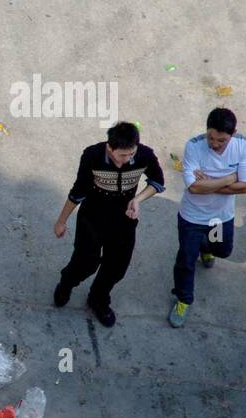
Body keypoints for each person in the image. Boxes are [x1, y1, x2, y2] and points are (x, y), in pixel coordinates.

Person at [52, 122, 164, 327]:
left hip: (124, 220)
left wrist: (137, 200)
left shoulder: (145, 155)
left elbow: (157, 182)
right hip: (92, 219)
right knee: (85, 263)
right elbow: (78, 192)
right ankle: (67, 282)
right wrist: (61, 221)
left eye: (131, 154)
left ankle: (98, 299)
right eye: (122, 155)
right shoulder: (92, 156)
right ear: (109, 147)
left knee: (117, 267)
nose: (127, 160)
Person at [169, 108, 246, 327]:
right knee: (186, 260)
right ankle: (183, 299)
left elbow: (244, 187)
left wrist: (209, 183)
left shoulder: (243, 146)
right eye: (211, 137)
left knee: (222, 250)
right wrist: (228, 178)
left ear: (233, 134)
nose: (214, 144)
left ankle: (206, 248)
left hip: (219, 218)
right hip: (192, 218)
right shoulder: (194, 146)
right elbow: (194, 189)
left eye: (221, 140)